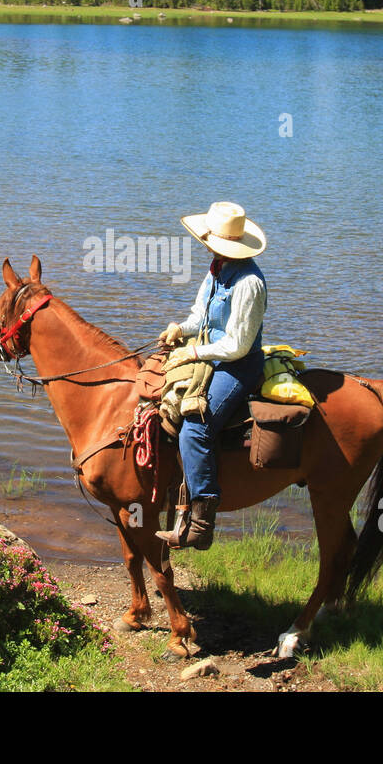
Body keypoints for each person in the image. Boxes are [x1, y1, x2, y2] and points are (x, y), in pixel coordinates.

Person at [154, 201, 267, 551]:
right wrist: (180, 329)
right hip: (208, 354)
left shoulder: (249, 283)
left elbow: (237, 344)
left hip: (237, 366)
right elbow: (200, 318)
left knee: (196, 427)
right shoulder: (217, 269)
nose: (205, 244)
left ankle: (202, 521)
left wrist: (193, 351)